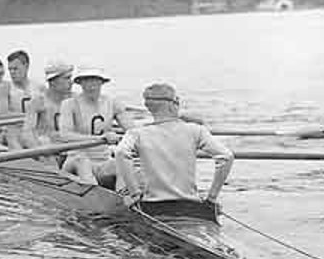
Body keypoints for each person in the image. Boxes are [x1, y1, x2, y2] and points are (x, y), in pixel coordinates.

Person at [112, 82, 234, 215]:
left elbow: (121, 153)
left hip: (152, 206)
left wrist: (134, 193)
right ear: (173, 104)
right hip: (189, 205)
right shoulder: (196, 130)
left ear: (148, 107)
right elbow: (226, 156)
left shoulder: (136, 133)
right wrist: (211, 198)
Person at [56, 66, 135, 185]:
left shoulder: (113, 103)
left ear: (101, 82)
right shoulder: (69, 104)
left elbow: (133, 131)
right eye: (86, 80)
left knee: (124, 163)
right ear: (80, 83)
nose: (91, 85)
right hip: (76, 160)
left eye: (94, 80)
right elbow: (65, 135)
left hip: (103, 159)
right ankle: (94, 192)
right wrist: (100, 138)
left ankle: (123, 194)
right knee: (82, 162)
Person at [20, 59, 76, 152]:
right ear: (52, 81)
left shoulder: (75, 99)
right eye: (67, 78)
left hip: (73, 150)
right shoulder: (38, 102)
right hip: (48, 151)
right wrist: (42, 154)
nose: (71, 82)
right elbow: (27, 134)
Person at [3, 50, 41, 149]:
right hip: (14, 133)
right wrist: (30, 115)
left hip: (34, 131)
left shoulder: (39, 87)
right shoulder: (4, 88)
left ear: (26, 66)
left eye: (15, 69)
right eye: (10, 69)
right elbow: (3, 114)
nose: (12, 72)